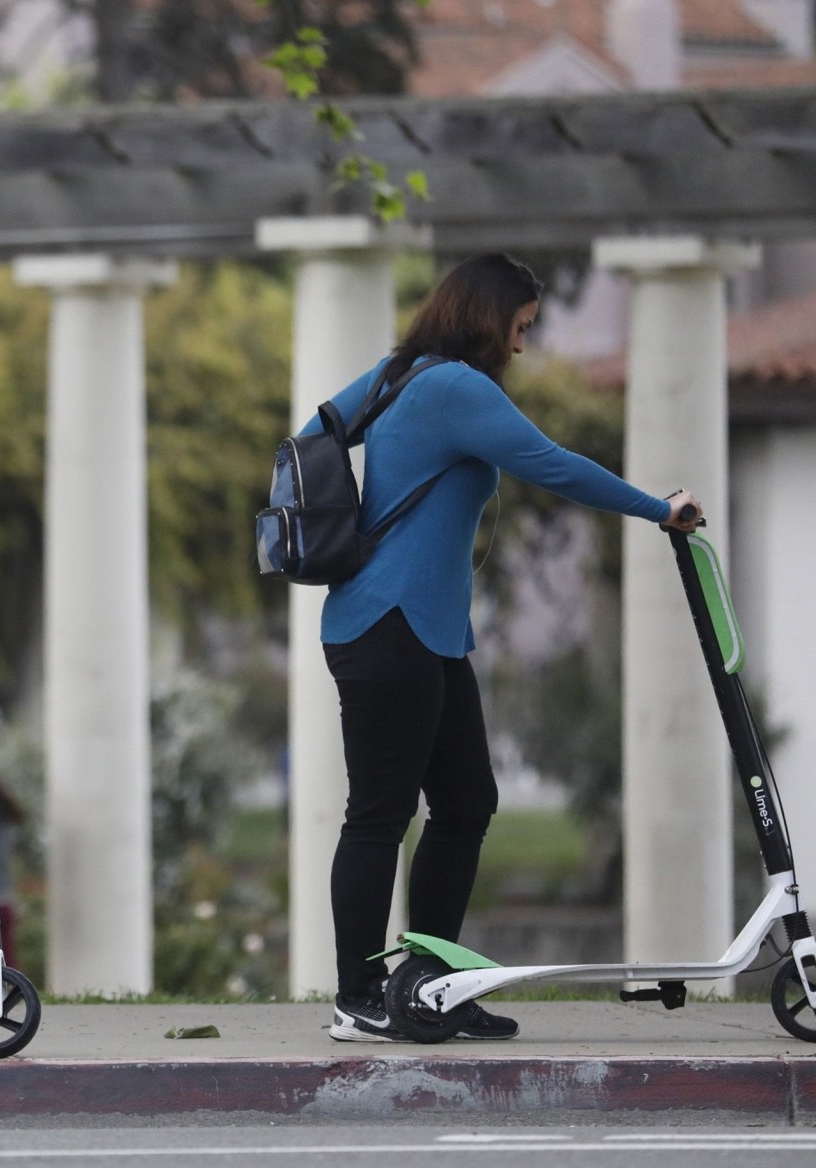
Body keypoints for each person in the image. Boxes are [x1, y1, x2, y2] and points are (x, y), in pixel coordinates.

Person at [297, 253, 703, 1042]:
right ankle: (357, 997)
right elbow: (552, 465)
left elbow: (316, 434)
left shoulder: (397, 373)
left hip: (423, 631)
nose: (521, 346)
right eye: (520, 327)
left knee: (467, 802)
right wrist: (660, 508)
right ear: (490, 319)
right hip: (391, 625)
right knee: (380, 814)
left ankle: (429, 984)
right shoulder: (453, 386)